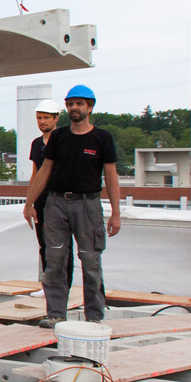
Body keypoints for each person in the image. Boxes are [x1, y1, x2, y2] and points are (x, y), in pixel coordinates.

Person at [23, 84, 123, 325]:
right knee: (54, 260)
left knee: (90, 260)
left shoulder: (102, 138)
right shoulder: (59, 137)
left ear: (90, 107)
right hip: (57, 203)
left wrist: (116, 214)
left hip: (87, 205)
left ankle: (94, 317)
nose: (74, 108)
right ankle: (56, 314)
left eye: (79, 103)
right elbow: (44, 171)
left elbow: (111, 176)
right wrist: (29, 203)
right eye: (70, 103)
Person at [26, 98, 66, 278]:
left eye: (46, 118)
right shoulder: (36, 144)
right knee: (44, 242)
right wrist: (29, 203)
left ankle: (63, 283)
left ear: (56, 118)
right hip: (42, 200)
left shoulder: (64, 140)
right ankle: (48, 282)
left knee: (62, 245)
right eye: (39, 118)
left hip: (60, 198)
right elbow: (35, 175)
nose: (42, 121)